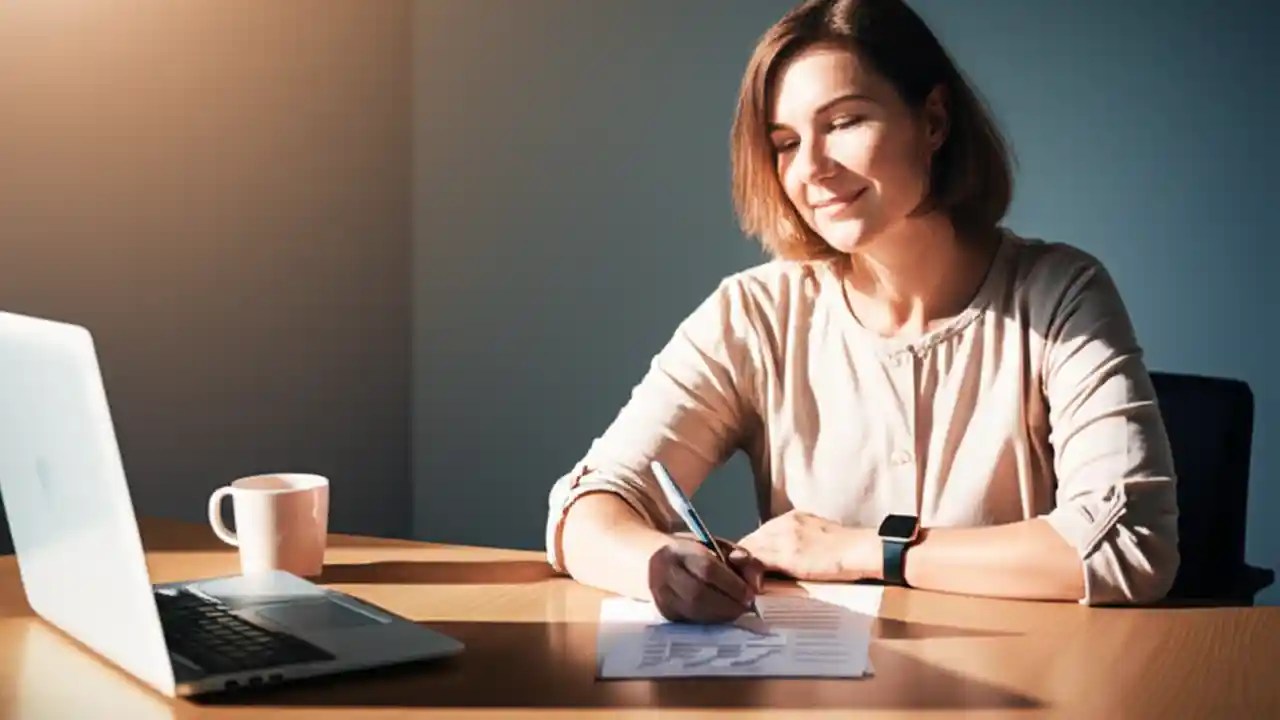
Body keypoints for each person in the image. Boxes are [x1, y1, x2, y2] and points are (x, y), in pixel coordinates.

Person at [545, 0, 1179, 623]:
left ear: (933, 121)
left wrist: (861, 550)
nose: (812, 168)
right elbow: (585, 507)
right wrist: (658, 564)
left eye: (844, 122)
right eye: (787, 142)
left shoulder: (1061, 292)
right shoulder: (753, 313)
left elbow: (1130, 546)